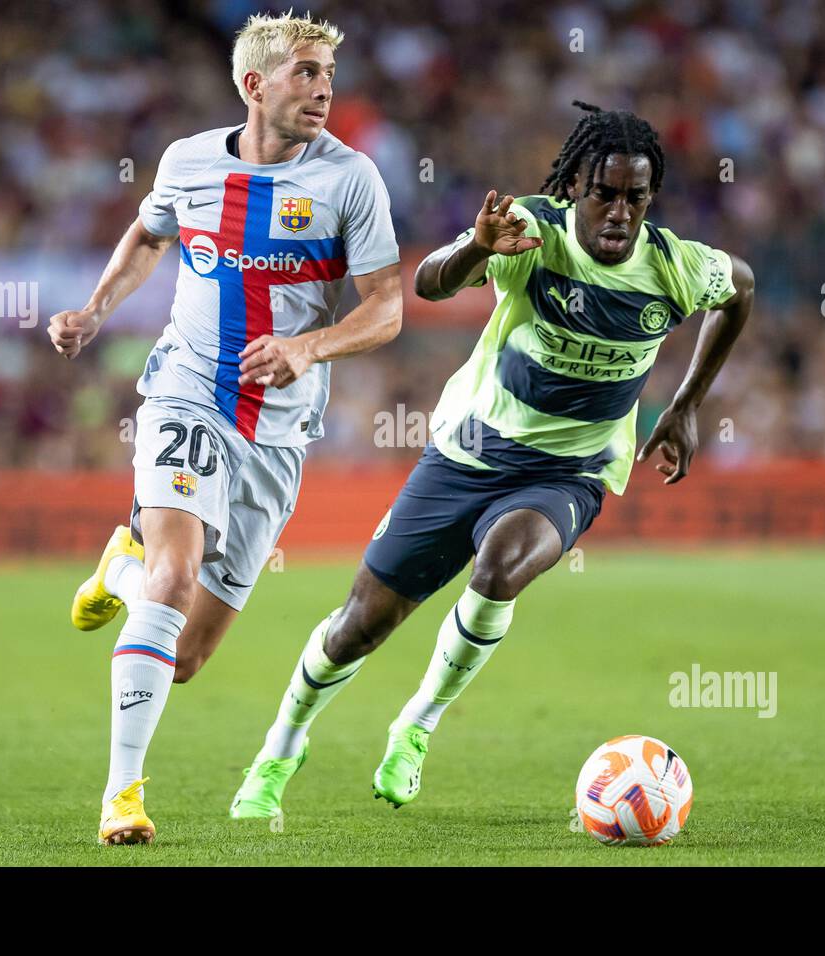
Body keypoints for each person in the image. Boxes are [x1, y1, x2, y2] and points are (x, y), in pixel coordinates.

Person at [230, 101, 754, 817]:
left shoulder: (678, 267)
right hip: (467, 452)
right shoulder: (528, 232)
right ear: (575, 185)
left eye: (636, 197)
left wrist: (689, 403)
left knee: (502, 567)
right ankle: (278, 751)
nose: (620, 213)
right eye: (606, 193)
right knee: (360, 625)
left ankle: (415, 726)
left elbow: (740, 291)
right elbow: (431, 285)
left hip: (568, 472)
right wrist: (477, 248)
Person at [47, 11, 401, 844]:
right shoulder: (188, 161)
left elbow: (387, 307)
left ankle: (119, 568)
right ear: (255, 84)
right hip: (188, 392)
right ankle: (122, 799)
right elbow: (148, 231)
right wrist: (95, 310)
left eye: (328, 76)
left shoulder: (352, 180)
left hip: (278, 432)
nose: (323, 90)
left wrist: (308, 347)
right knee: (175, 576)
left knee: (189, 654)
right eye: (306, 74)